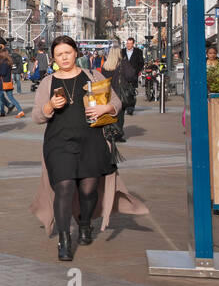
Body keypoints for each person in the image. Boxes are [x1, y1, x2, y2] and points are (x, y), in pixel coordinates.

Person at [29, 36, 147, 261]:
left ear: (76, 53)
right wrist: (50, 106)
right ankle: (64, 240)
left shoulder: (93, 76)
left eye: (68, 53)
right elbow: (36, 116)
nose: (64, 58)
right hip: (59, 144)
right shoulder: (48, 82)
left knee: (88, 191)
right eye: (59, 55)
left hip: (91, 140)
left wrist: (106, 108)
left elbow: (117, 102)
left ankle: (84, 224)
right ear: (53, 58)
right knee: (63, 187)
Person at [0, 47, 25, 119]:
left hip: (2, 82)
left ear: (2, 54)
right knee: (11, 97)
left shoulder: (3, 62)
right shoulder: (9, 61)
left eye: (0, 53)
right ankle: (20, 111)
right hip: (8, 82)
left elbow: (2, 73)